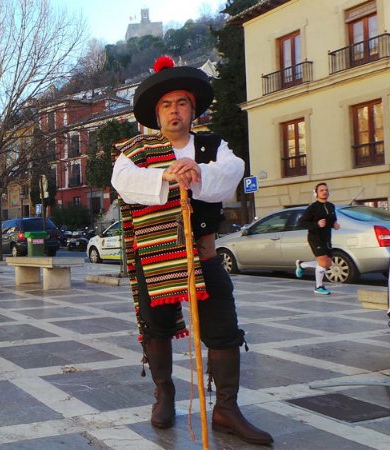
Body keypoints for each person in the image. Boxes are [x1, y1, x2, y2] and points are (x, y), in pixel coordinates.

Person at [110, 56, 272, 445]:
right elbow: (124, 182)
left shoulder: (214, 145)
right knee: (157, 329)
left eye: (181, 103)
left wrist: (197, 173)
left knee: (224, 331)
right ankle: (165, 393)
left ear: (192, 110)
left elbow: (232, 173)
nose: (174, 111)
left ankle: (226, 409)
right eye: (166, 105)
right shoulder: (136, 150)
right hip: (157, 257)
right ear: (156, 113)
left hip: (204, 256)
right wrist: (166, 174)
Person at [295, 182, 340, 295]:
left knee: (328, 264)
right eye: (321, 190)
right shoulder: (313, 207)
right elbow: (301, 223)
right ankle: (318, 287)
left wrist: (334, 225)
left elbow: (332, 220)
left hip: (327, 237)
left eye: (326, 190)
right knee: (323, 263)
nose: (324, 192)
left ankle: (302, 265)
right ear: (316, 193)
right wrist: (317, 224)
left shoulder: (331, 206)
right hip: (315, 237)